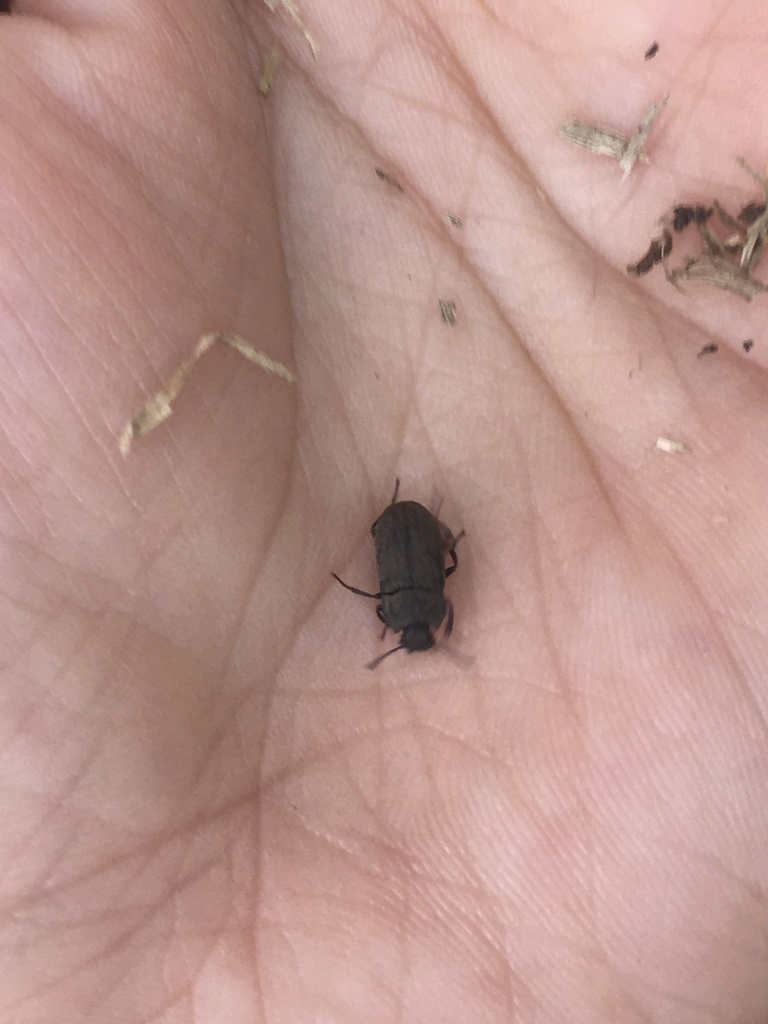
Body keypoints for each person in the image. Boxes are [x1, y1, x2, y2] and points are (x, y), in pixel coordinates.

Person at [2, 1, 767, 1021]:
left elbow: (429, 555)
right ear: (416, 615)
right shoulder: (392, 591)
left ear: (409, 617)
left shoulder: (415, 589)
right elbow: (407, 556)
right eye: (420, 624)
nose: (415, 620)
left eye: (412, 625)